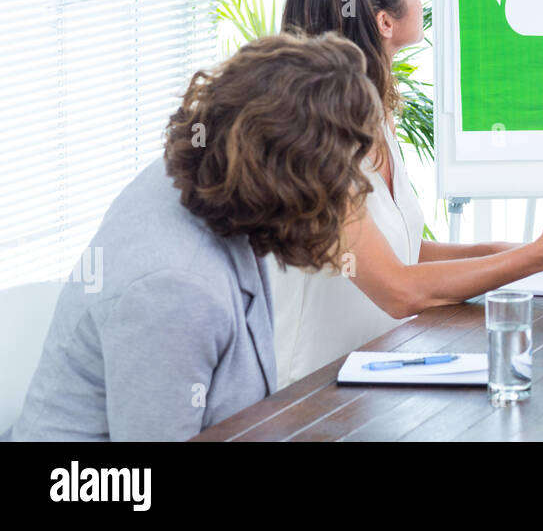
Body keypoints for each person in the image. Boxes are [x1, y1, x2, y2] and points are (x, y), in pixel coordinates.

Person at [272, 0, 543, 388]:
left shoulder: (376, 115)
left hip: (377, 381)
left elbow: (396, 252)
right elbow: (397, 288)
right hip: (311, 401)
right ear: (385, 22)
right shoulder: (317, 140)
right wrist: (538, 254)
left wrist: (501, 251)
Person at [7, 32, 384, 441]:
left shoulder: (202, 180)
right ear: (289, 179)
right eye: (339, 173)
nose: (348, 189)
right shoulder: (175, 288)